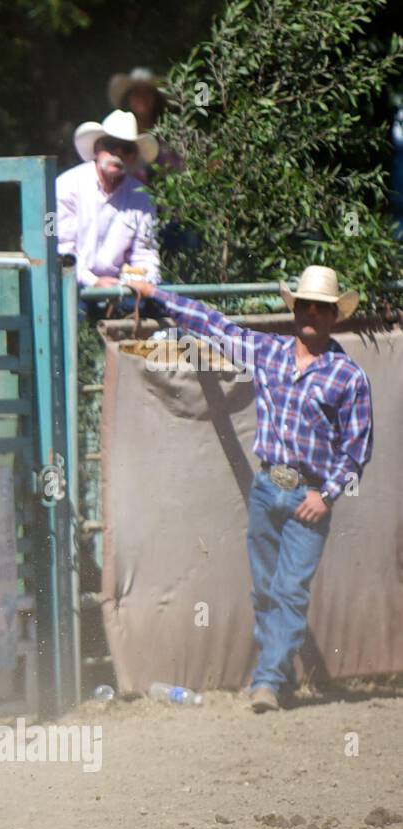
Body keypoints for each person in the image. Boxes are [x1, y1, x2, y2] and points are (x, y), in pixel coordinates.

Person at [126, 267, 372, 712]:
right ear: (294, 309)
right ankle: (276, 674)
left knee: (290, 590)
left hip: (307, 496)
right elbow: (214, 325)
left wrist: (327, 494)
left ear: (335, 316)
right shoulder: (269, 353)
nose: (311, 313)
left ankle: (269, 680)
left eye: (321, 307)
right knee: (264, 590)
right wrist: (155, 296)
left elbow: (356, 451)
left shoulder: (348, 377)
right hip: (267, 486)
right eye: (305, 305)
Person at [56, 108, 160, 312]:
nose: (118, 153)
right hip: (71, 287)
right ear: (97, 149)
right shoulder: (65, 187)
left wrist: (143, 280)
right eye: (112, 145)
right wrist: (94, 282)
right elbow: (60, 252)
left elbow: (145, 254)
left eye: (127, 148)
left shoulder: (142, 198)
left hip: (123, 292)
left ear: (133, 157)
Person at [106, 66, 182, 181]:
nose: (142, 97)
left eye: (147, 92)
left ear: (155, 98)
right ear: (129, 98)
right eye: (137, 92)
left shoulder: (169, 132)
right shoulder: (118, 131)